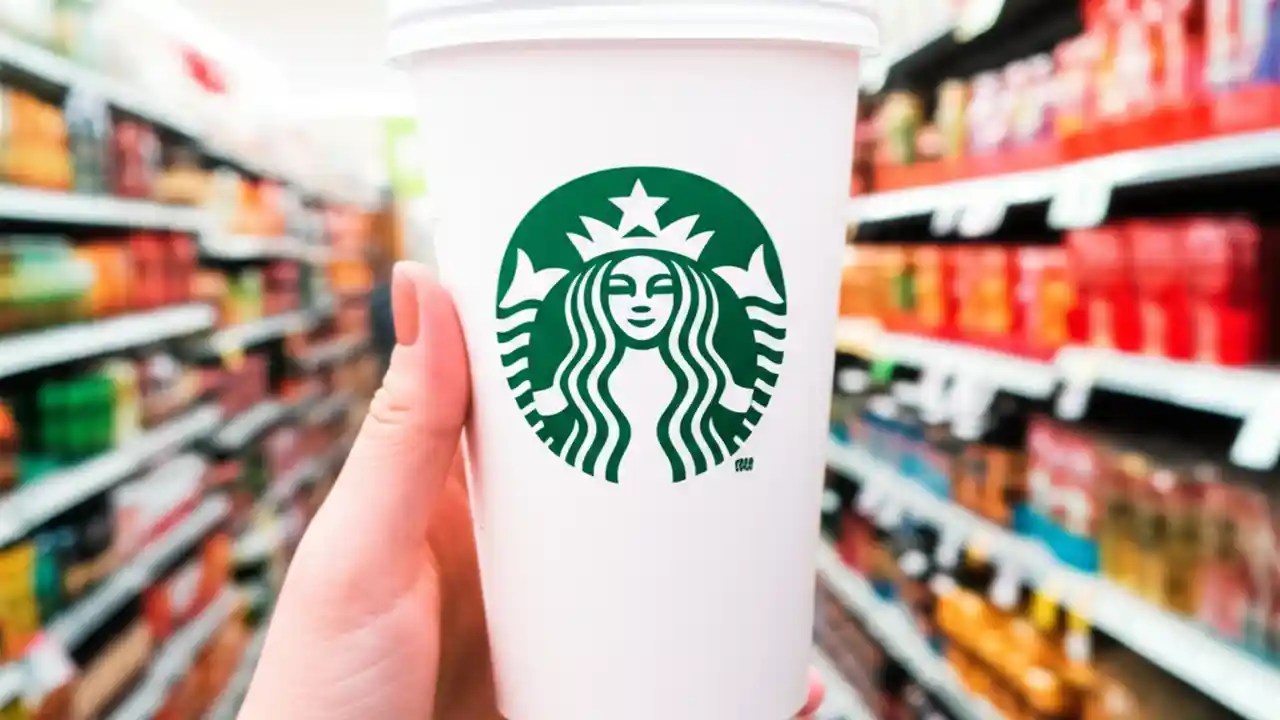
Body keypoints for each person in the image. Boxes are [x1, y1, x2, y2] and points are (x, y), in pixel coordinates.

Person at [235, 262, 826, 719]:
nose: (642, 304)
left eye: (662, 290)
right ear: (592, 300)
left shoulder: (706, 391)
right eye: (622, 290)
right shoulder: (576, 390)